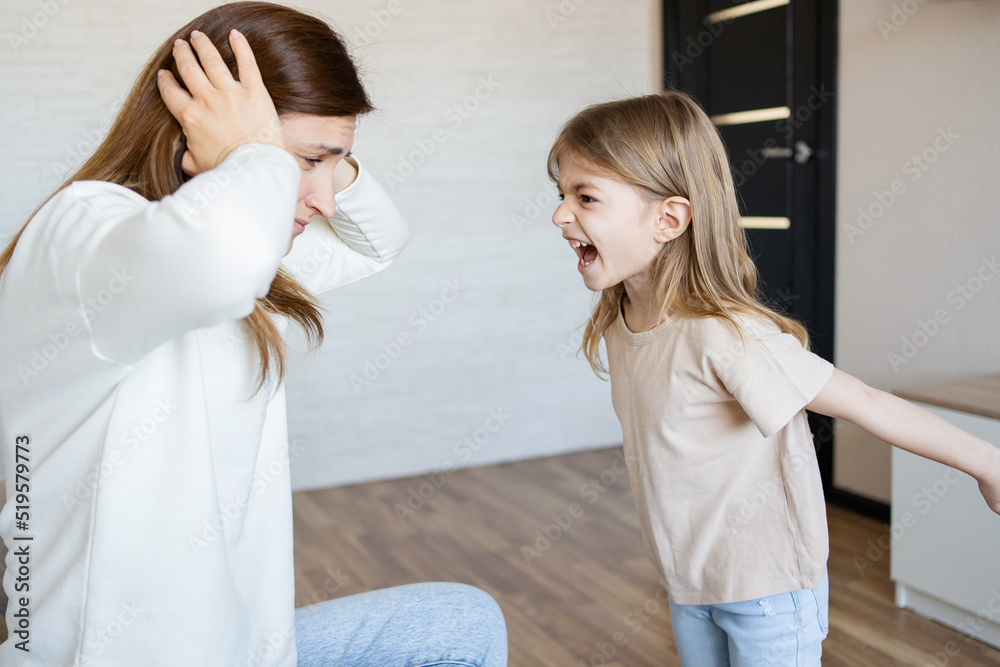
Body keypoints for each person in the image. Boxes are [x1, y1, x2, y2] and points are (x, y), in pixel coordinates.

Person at [0, 2, 507, 665]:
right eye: (305, 161)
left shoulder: (224, 241)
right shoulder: (86, 230)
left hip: (238, 645)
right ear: (196, 128)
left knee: (458, 623)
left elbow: (377, 243)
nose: (324, 197)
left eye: (334, 164)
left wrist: (299, 158)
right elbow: (219, 260)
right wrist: (254, 152)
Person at [547, 90, 1000, 666]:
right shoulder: (621, 321)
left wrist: (988, 463)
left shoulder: (723, 334)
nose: (561, 215)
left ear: (668, 219)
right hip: (689, 579)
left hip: (766, 585)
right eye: (561, 194)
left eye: (585, 197)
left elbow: (860, 400)